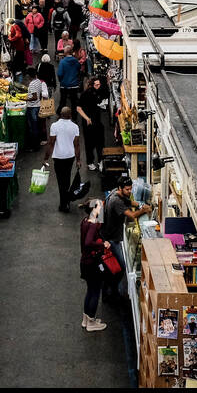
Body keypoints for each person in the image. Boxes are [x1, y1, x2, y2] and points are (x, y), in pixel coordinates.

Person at [102, 177, 153, 296]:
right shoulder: (116, 201)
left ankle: (109, 287)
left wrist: (141, 205)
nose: (130, 191)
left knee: (115, 265)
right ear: (120, 188)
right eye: (127, 189)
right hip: (112, 238)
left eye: (131, 189)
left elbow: (129, 202)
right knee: (120, 266)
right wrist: (143, 210)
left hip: (112, 235)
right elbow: (132, 215)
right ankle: (111, 289)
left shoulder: (117, 193)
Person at [80, 198, 110, 332]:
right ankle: (91, 322)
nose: (101, 209)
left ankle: (86, 319)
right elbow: (88, 242)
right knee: (95, 291)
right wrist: (102, 244)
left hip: (85, 262)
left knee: (90, 290)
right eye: (99, 207)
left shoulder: (85, 221)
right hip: (92, 263)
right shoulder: (92, 224)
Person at [46, 107, 82, 213]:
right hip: (69, 157)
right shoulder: (75, 127)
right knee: (66, 179)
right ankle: (65, 202)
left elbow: (51, 143)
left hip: (58, 157)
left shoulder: (54, 126)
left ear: (60, 115)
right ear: (70, 115)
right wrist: (78, 160)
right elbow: (77, 145)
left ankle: (63, 204)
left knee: (60, 180)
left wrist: (46, 158)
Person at [77, 76, 106, 172]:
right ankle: (90, 162)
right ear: (91, 85)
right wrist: (86, 118)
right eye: (96, 85)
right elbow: (79, 108)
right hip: (88, 124)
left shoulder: (98, 92)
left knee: (100, 142)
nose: (98, 86)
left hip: (97, 121)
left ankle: (100, 160)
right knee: (89, 143)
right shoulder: (85, 94)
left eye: (99, 84)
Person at [24, 67, 48, 150]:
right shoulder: (38, 81)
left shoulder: (32, 84)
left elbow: (34, 97)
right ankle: (37, 144)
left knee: (33, 127)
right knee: (36, 126)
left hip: (32, 107)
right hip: (37, 106)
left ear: (29, 76)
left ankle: (35, 146)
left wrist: (25, 99)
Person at [57, 45, 82, 113]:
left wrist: (61, 80)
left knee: (63, 101)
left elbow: (60, 74)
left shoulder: (62, 62)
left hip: (64, 85)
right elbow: (79, 68)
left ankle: (61, 114)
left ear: (65, 52)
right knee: (74, 102)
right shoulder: (76, 61)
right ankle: (74, 116)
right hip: (74, 85)